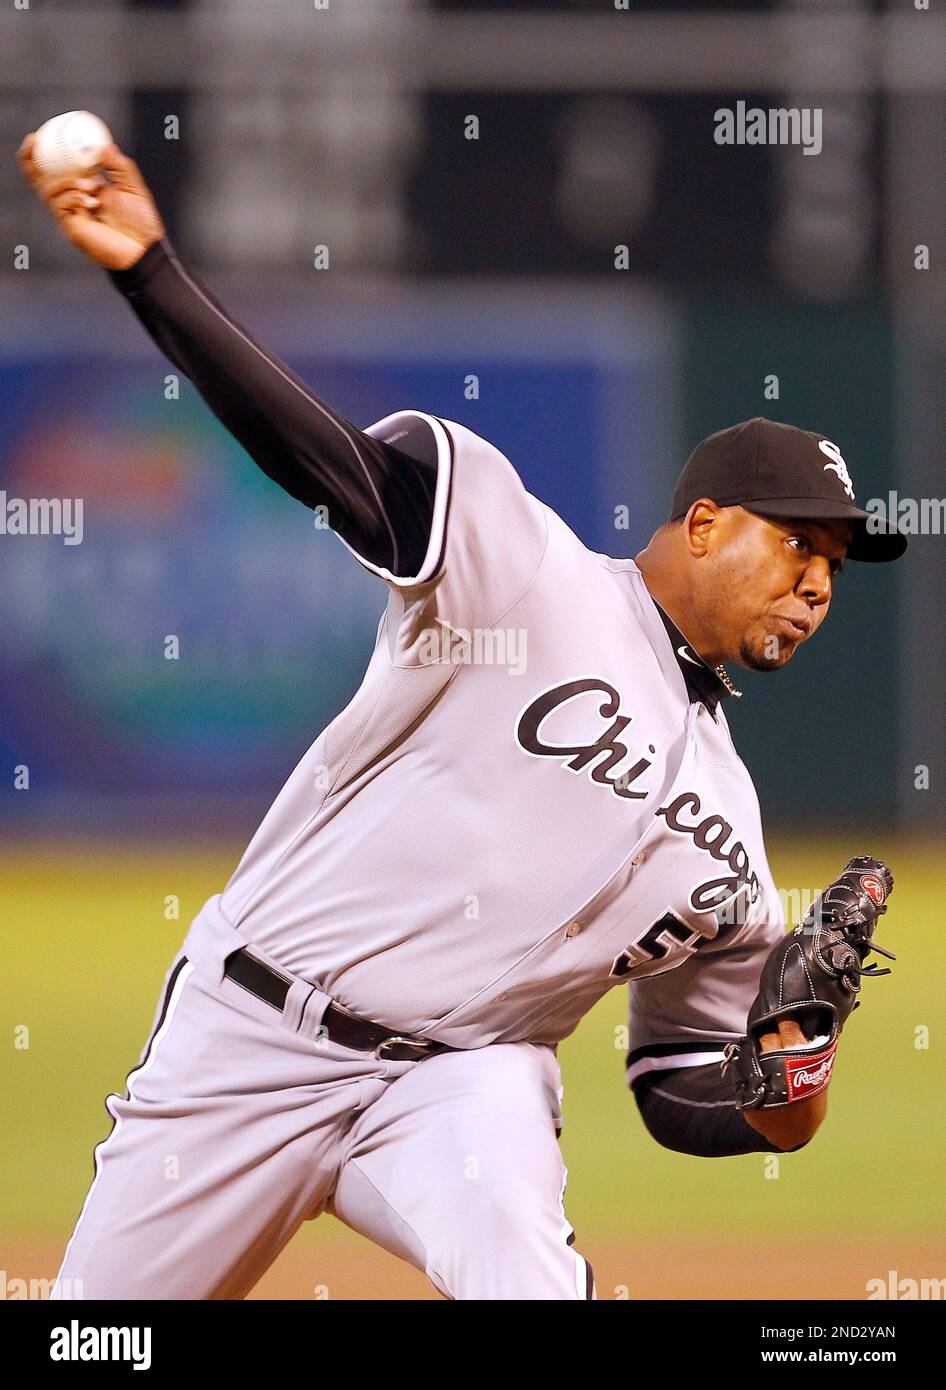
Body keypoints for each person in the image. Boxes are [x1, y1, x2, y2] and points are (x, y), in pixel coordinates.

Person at [19, 135, 904, 1301]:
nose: (816, 584)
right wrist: (153, 275)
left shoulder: (732, 838)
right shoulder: (521, 567)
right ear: (701, 523)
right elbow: (327, 462)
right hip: (250, 1035)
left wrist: (785, 1076)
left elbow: (679, 1085)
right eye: (796, 543)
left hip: (463, 1086)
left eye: (833, 565)